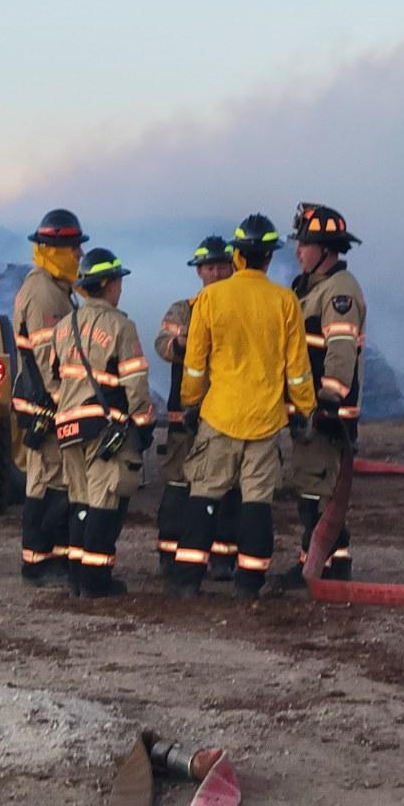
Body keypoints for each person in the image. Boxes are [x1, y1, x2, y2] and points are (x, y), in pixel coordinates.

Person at [167, 214, 315, 600]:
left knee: (204, 495)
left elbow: (195, 363)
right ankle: (249, 583)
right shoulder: (285, 301)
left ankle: (186, 580)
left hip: (219, 416)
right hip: (266, 422)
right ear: (269, 257)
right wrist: (304, 409)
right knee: (257, 502)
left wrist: (190, 403)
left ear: (236, 255)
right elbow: (298, 369)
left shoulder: (211, 299)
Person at [44, 248, 154, 598]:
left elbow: (54, 378)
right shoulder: (121, 326)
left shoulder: (64, 326)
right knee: (105, 502)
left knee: (80, 501)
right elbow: (135, 383)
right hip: (105, 430)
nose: (120, 288)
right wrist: (143, 425)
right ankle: (95, 581)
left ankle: (77, 578)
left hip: (67, 427)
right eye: (118, 281)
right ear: (107, 284)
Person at [275, 203, 367, 587]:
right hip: (307, 410)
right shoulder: (309, 288)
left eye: (305, 244)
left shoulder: (339, 291)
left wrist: (330, 398)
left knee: (320, 493)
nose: (298, 251)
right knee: (312, 491)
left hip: (326, 413)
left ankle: (320, 569)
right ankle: (324, 565)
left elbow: (340, 349)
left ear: (326, 249)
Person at [154, 236, 239, 578]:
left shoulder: (240, 309)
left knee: (227, 485)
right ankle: (170, 554)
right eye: (209, 268)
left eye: (221, 267)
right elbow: (162, 345)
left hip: (226, 416)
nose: (215, 273)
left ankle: (222, 558)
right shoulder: (182, 310)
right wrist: (188, 341)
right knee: (178, 483)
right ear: (199, 271)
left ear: (233, 268)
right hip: (185, 418)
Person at [11, 208, 87, 585]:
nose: (79, 254)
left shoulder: (55, 288)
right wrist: (65, 401)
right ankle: (38, 562)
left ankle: (52, 556)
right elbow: (47, 358)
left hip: (50, 404)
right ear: (54, 250)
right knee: (46, 481)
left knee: (57, 480)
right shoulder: (44, 293)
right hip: (47, 405)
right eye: (74, 248)